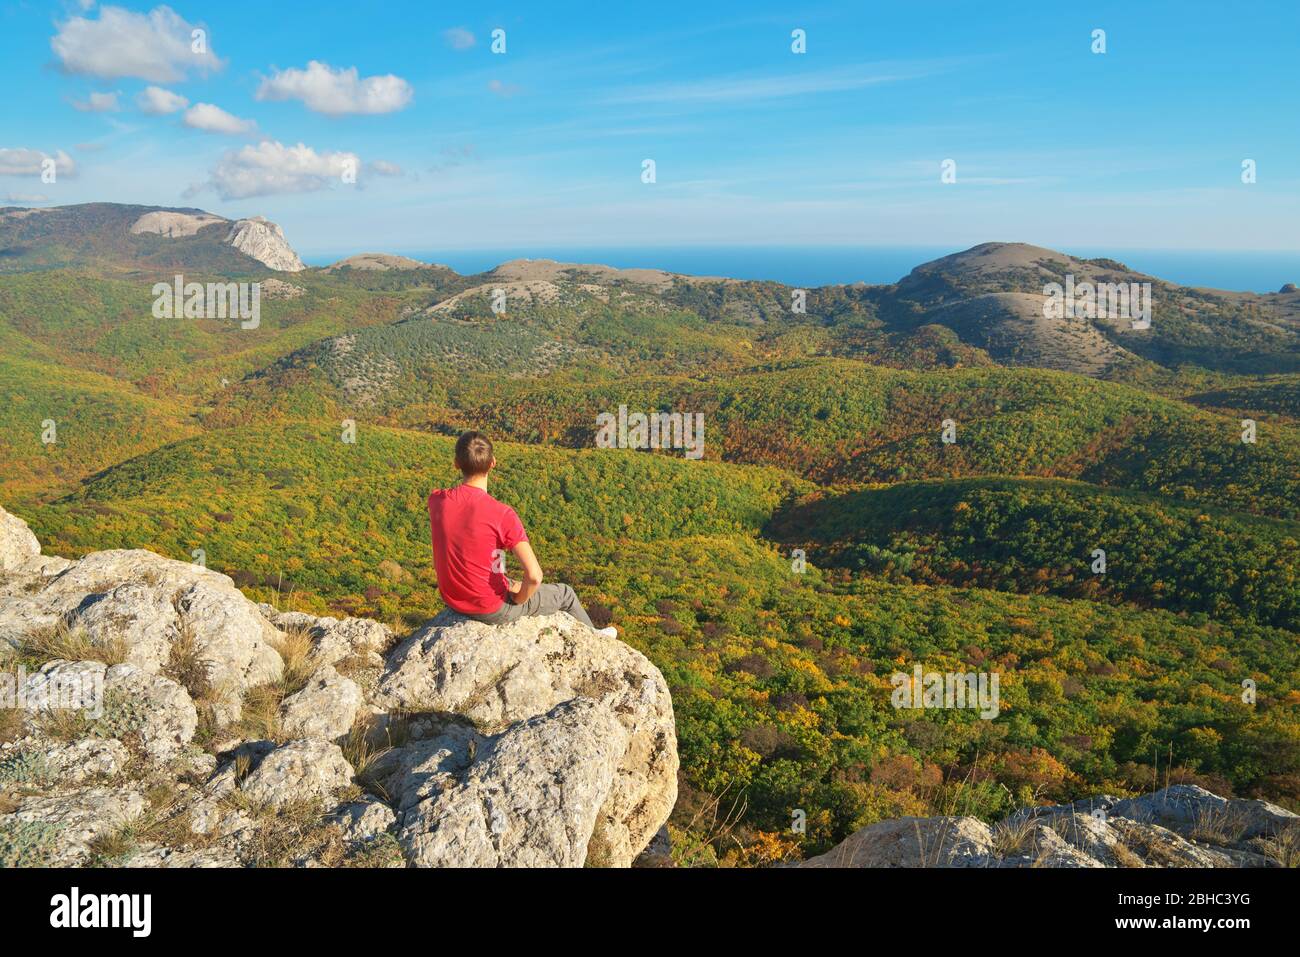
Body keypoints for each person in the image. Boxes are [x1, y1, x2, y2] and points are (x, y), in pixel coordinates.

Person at [427, 430, 617, 637]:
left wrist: (508, 583)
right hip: (489, 608)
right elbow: (535, 576)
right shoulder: (502, 514)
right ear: (493, 463)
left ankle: (507, 584)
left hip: (453, 598)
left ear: (456, 463)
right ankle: (595, 638)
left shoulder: (437, 500)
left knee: (511, 578)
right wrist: (519, 599)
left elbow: (471, 547)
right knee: (566, 594)